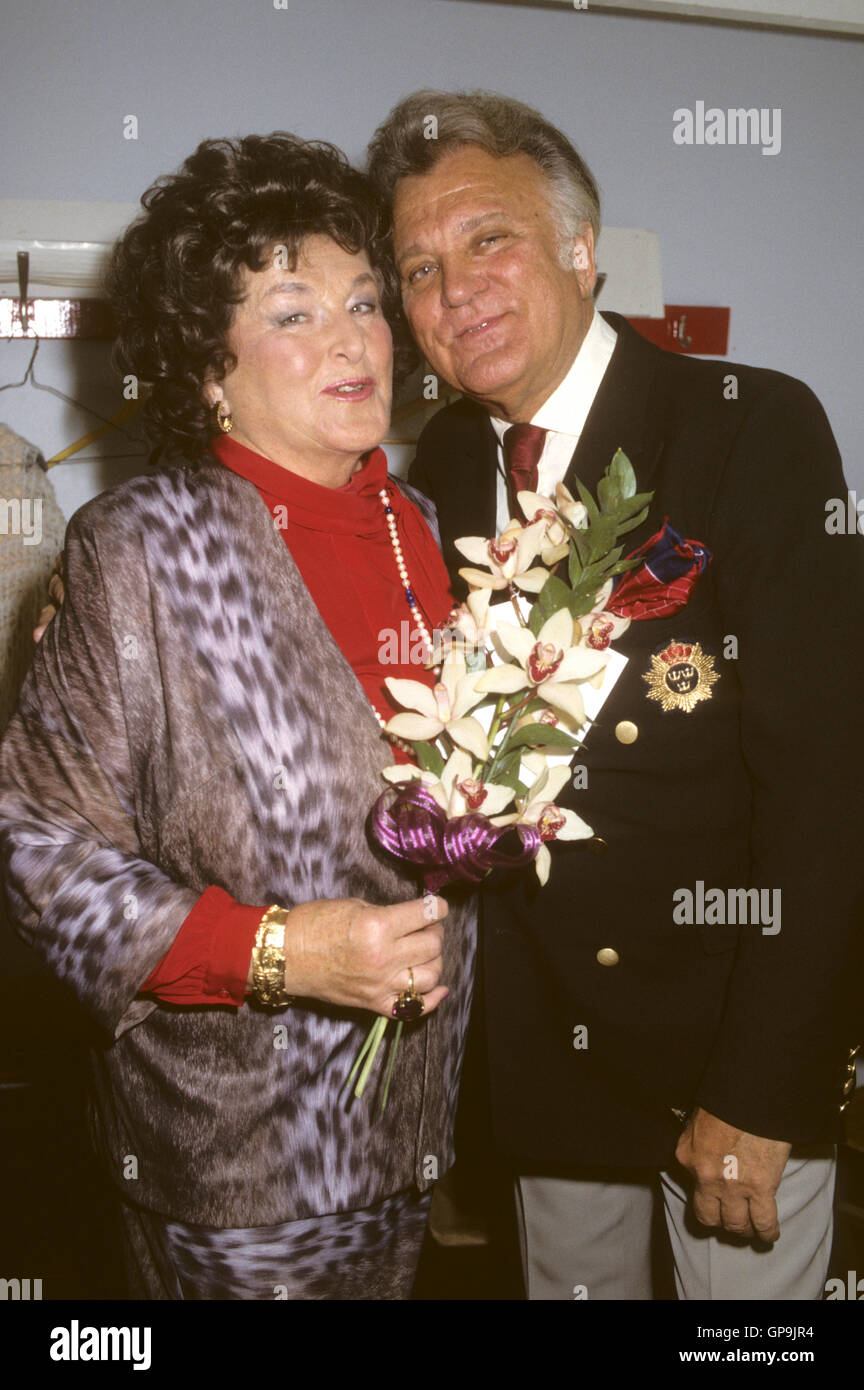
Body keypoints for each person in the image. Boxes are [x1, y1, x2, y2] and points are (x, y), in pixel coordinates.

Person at [365, 89, 864, 1300]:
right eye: (419, 269)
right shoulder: (441, 462)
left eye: (490, 240)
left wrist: (765, 1085)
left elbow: (830, 786)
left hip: (724, 1051)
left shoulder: (748, 428)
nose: (454, 292)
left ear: (582, 249)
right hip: (552, 1061)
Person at [0, 132, 476, 1301]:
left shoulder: (425, 525)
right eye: (293, 311)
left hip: (413, 1124)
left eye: (364, 301)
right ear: (207, 368)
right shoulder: (142, 547)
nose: (354, 336)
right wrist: (288, 953)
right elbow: (39, 855)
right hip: (239, 1154)